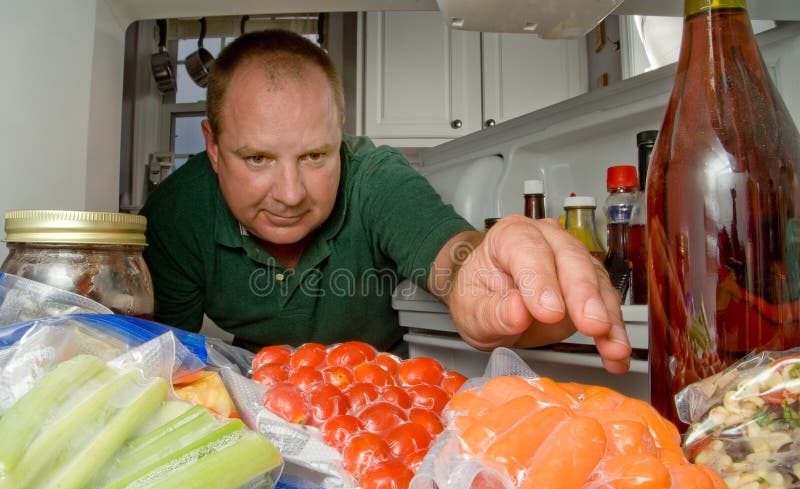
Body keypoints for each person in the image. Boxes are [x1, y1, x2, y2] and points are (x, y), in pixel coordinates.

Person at [140, 29, 631, 374]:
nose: (290, 194)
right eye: (257, 159)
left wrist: (492, 282)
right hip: (259, 391)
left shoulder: (375, 178)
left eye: (315, 155)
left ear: (342, 139)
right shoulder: (177, 216)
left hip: (386, 402)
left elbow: (453, 258)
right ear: (212, 146)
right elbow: (163, 365)